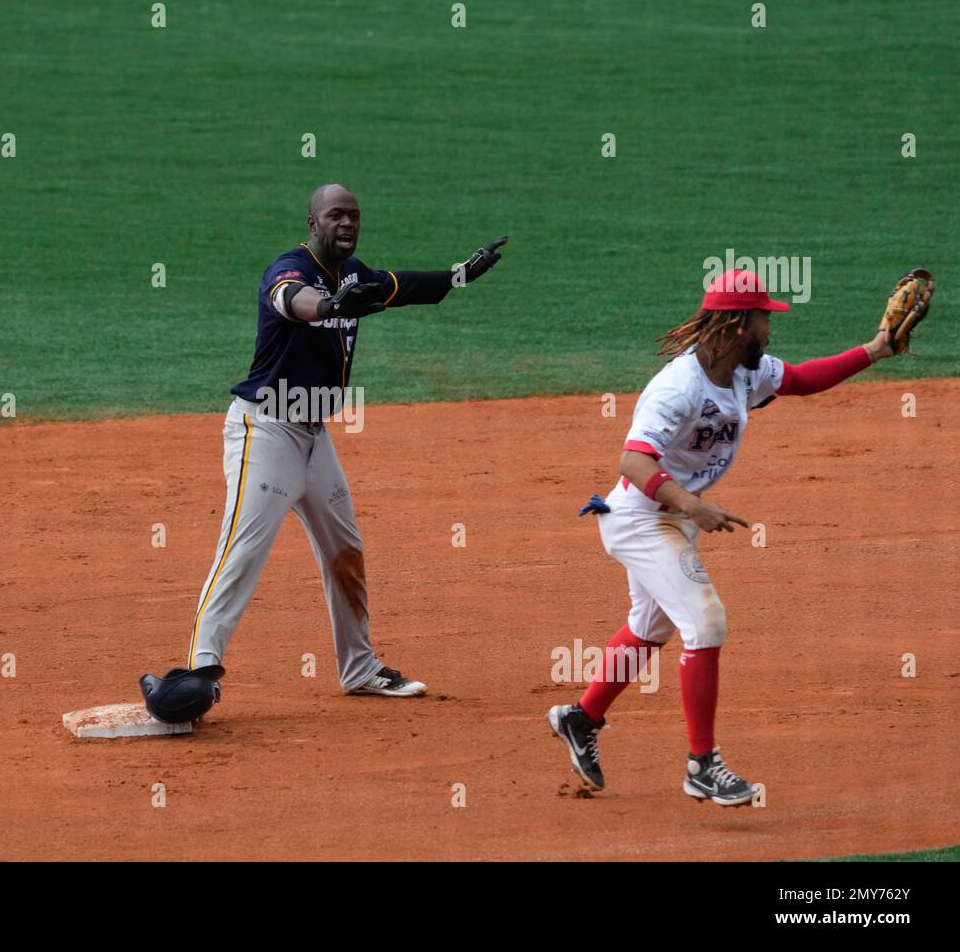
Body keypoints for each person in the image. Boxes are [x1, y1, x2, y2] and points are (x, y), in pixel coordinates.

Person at [550, 269, 900, 805]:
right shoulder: (678, 387)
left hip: (672, 517)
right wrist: (693, 504)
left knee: (650, 626)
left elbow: (801, 379)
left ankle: (580, 717)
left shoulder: (742, 371)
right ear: (738, 325)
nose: (770, 328)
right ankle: (702, 765)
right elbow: (633, 462)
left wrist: (875, 350)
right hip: (641, 519)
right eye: (764, 318)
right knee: (706, 622)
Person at [175, 183, 506, 699]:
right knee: (243, 550)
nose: (347, 223)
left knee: (345, 551)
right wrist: (330, 303)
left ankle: (360, 669)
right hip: (266, 432)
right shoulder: (289, 269)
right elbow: (292, 300)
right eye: (335, 216)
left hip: (314, 439)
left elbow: (407, 286)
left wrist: (461, 274)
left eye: (353, 215)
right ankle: (200, 667)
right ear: (313, 223)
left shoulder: (355, 275)